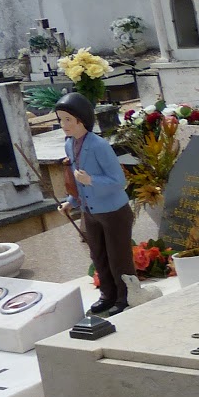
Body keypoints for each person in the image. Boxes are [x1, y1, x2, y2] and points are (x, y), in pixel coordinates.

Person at [56, 92, 133, 316]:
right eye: (61, 119)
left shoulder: (99, 146)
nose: (64, 125)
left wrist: (92, 180)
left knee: (118, 257)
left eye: (68, 119)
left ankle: (126, 295)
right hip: (90, 211)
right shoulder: (69, 145)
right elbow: (76, 180)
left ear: (82, 119)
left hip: (113, 211)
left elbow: (119, 181)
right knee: (98, 255)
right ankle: (107, 295)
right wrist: (71, 202)